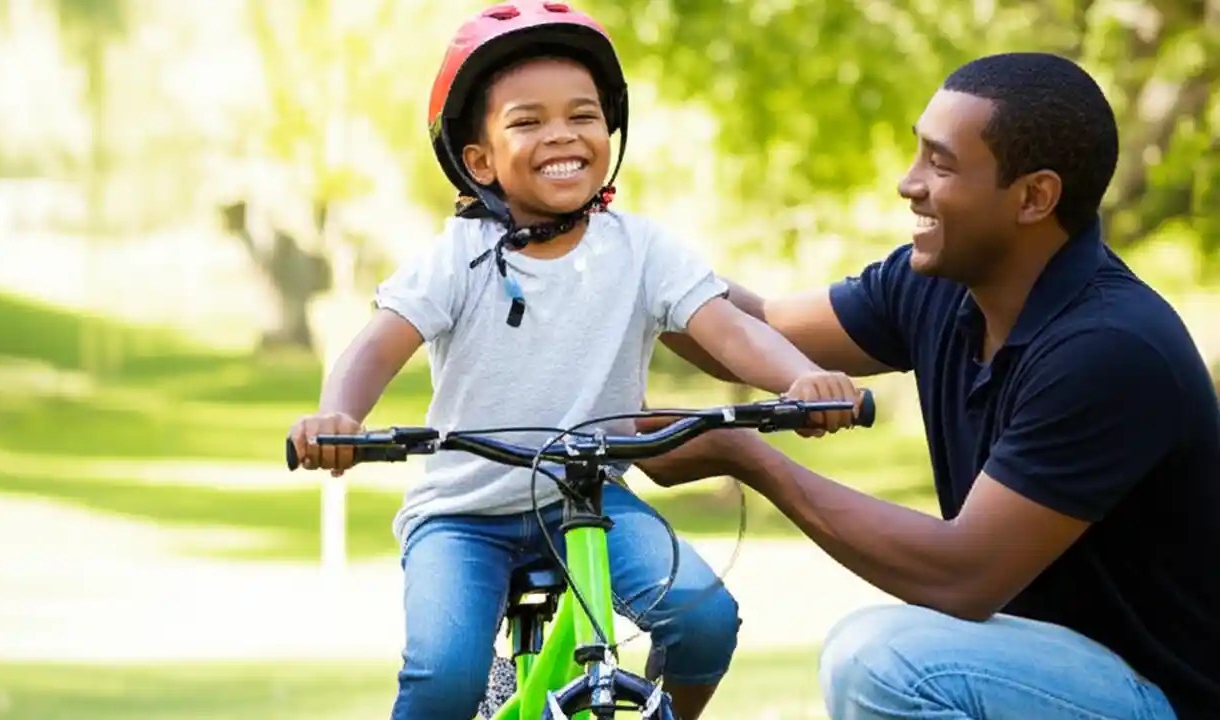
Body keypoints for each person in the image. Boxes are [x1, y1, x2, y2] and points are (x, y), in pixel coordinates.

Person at [285, 2, 859, 718]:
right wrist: (339, 414)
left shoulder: (642, 250)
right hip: (464, 515)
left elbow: (731, 331)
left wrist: (800, 379)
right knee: (442, 680)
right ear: (480, 160)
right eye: (527, 121)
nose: (562, 134)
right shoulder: (457, 258)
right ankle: (491, 686)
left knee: (705, 622)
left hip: (583, 501)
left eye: (582, 116)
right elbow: (377, 344)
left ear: (609, 133)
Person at [651, 52, 1220, 719]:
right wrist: (613, 255)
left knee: (883, 659)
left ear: (1034, 197)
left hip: (1161, 697)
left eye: (940, 163)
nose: (907, 183)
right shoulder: (934, 288)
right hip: (1038, 670)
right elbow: (756, 329)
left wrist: (744, 455)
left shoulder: (1111, 349)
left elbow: (963, 576)